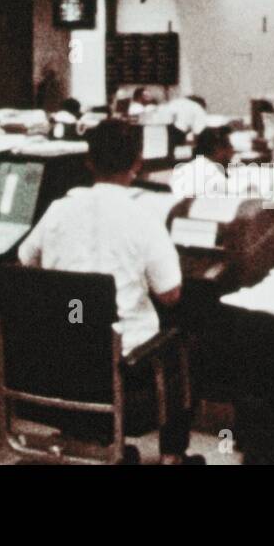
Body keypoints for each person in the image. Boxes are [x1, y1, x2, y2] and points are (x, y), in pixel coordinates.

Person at [17, 120, 202, 465]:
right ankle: (173, 456)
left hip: (55, 361)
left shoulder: (58, 210)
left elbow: (24, 260)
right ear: (137, 163)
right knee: (185, 341)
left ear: (88, 162)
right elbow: (171, 295)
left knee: (84, 321)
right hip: (123, 367)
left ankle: (92, 433)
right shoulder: (144, 217)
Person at [171, 126, 233, 198]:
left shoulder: (180, 172)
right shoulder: (217, 179)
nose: (232, 151)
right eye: (230, 146)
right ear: (217, 148)